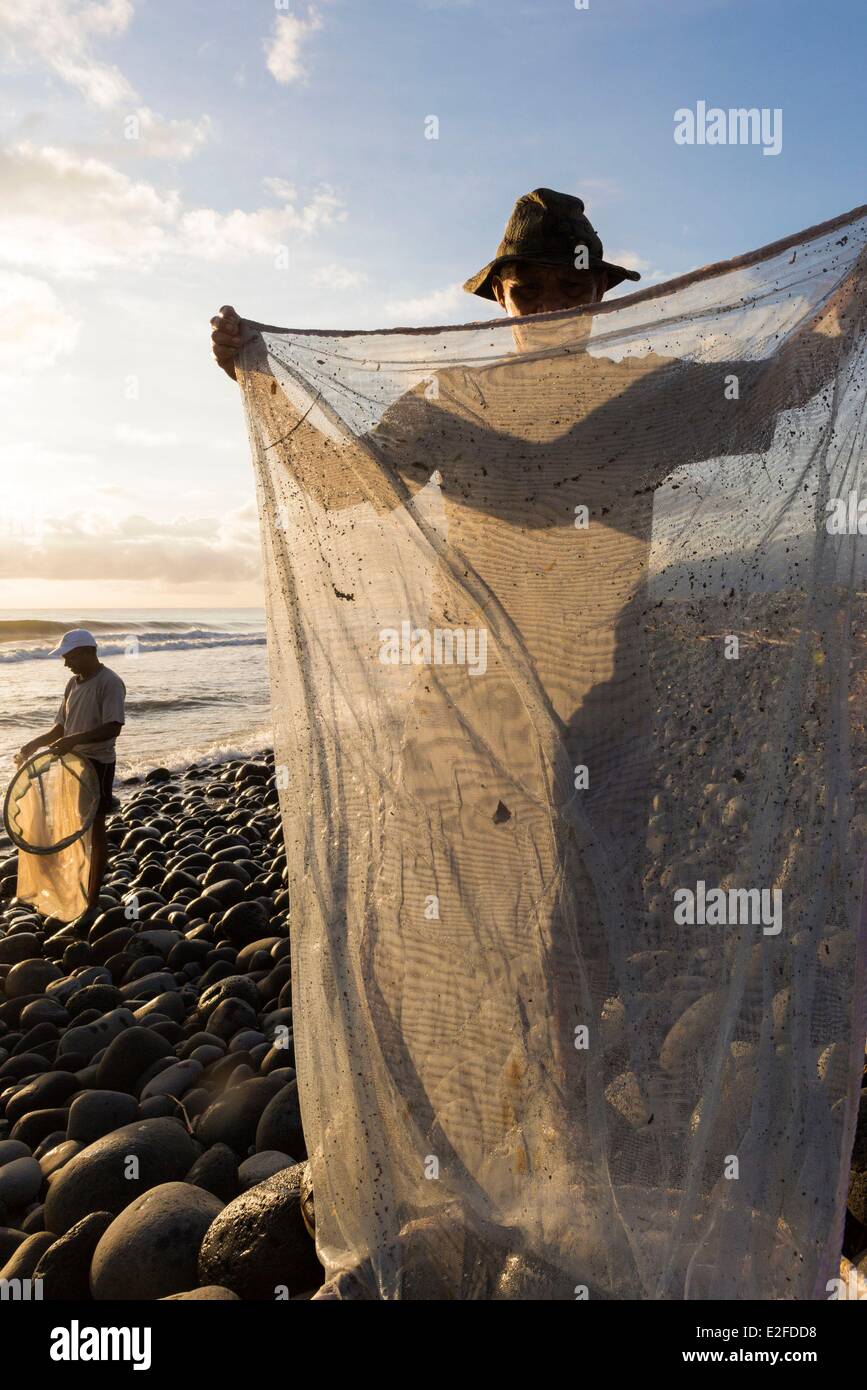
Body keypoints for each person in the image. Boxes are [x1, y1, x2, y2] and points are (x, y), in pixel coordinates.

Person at [16, 629, 126, 918]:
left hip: (98, 764)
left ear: (89, 652)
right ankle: (75, 884)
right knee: (76, 827)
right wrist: (32, 745)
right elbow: (60, 729)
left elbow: (113, 726)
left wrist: (74, 741)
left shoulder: (110, 682)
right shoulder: (73, 684)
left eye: (70, 657)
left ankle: (92, 898)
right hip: (72, 763)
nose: (66, 664)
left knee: (95, 828)